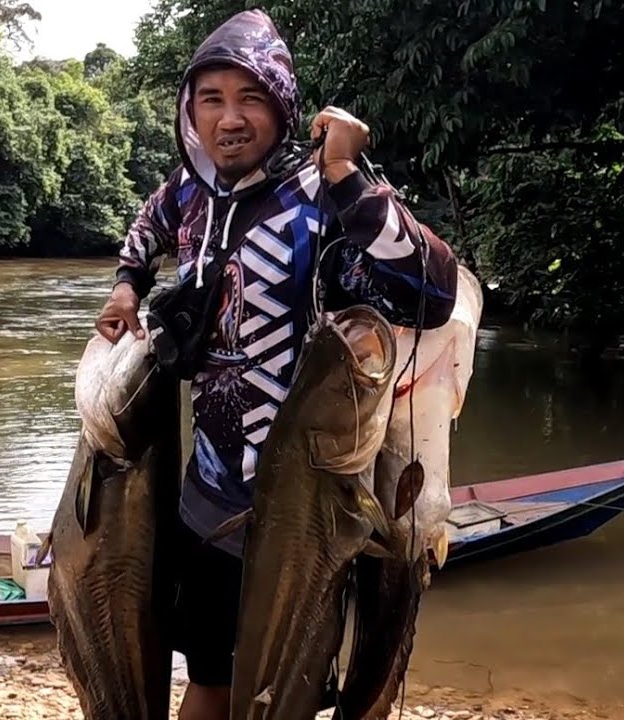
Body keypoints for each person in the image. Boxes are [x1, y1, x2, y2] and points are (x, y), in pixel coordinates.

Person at [94, 9, 459, 720]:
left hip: (302, 510)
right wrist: (128, 281)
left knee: (285, 693)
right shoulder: (192, 190)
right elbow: (148, 222)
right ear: (190, 113)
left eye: (250, 98)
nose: (229, 119)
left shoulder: (320, 194)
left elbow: (434, 289)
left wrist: (349, 176)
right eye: (211, 99)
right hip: (206, 496)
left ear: (282, 104)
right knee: (208, 679)